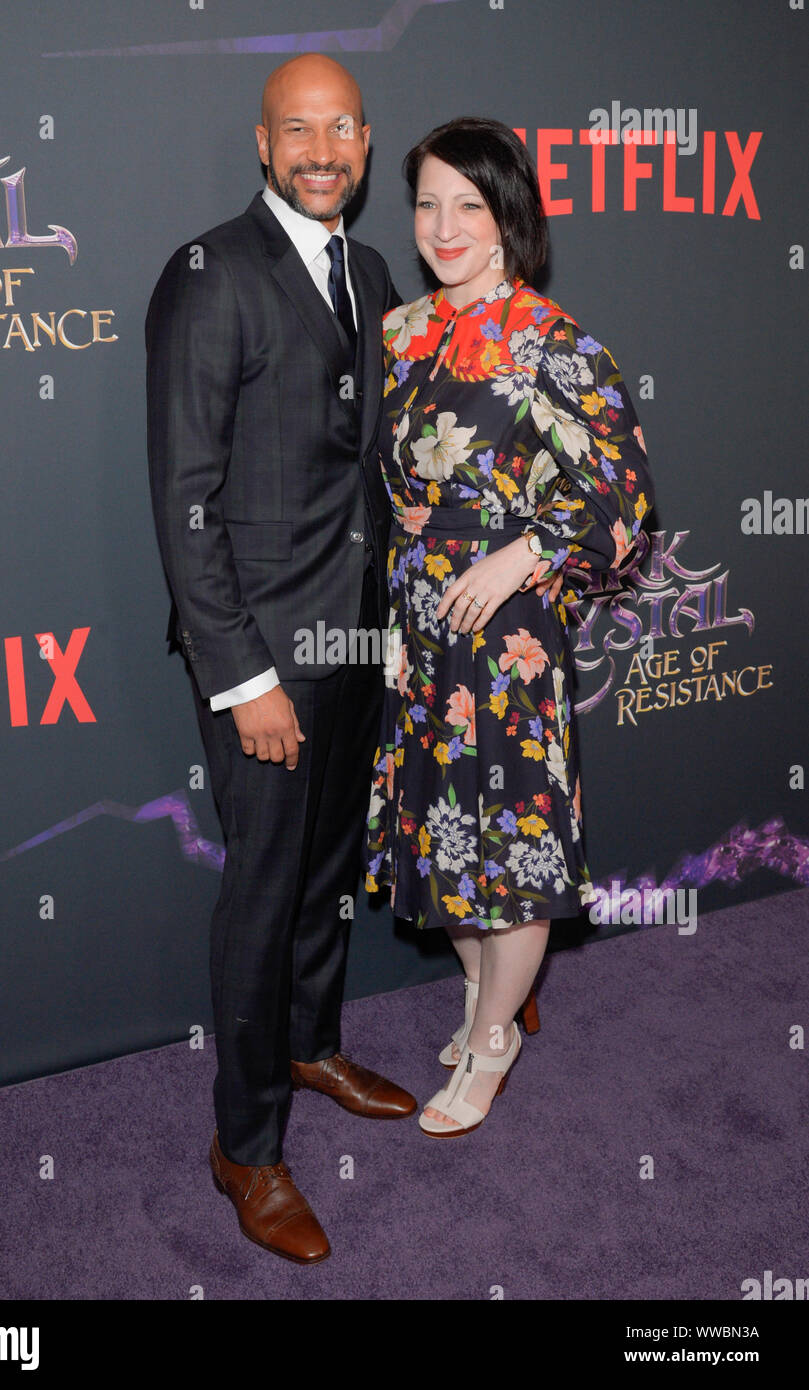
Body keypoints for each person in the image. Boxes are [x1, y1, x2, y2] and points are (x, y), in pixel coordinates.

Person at [146, 54, 415, 1265]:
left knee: (325, 870)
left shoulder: (367, 269)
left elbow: (369, 472)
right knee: (262, 890)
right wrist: (242, 675)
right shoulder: (210, 275)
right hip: (264, 654)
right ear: (263, 146)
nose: (320, 148)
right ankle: (245, 1147)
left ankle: (310, 1044)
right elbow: (185, 497)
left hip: (356, 635)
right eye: (295, 130)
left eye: (340, 127)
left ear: (365, 142)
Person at [364, 117, 654, 1137]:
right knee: (446, 835)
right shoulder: (402, 332)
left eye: (469, 206)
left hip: (508, 627)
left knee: (511, 839)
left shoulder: (550, 339)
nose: (444, 227)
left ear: (507, 218)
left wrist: (525, 550)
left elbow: (624, 501)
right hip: (421, 616)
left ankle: (496, 1038)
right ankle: (484, 1001)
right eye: (428, 203)